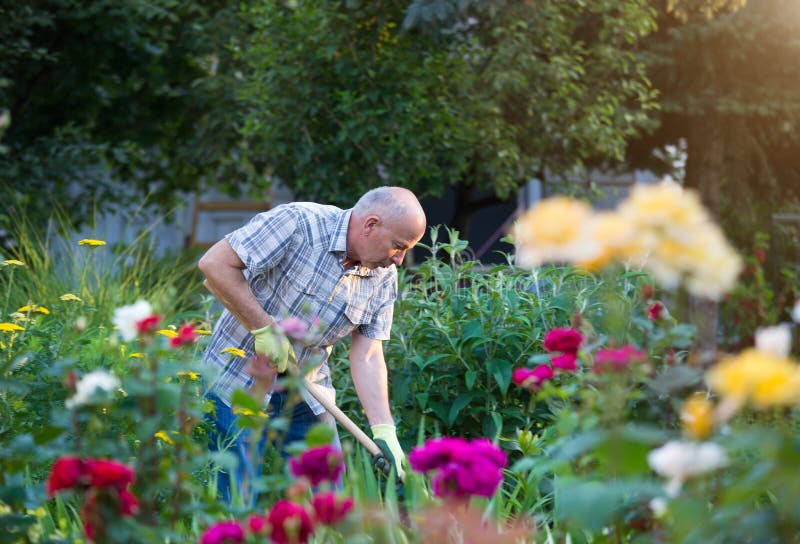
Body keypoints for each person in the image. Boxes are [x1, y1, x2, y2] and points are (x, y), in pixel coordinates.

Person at [198, 186, 426, 503]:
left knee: (328, 499)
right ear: (370, 225)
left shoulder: (382, 276)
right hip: (236, 379)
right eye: (398, 247)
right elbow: (214, 265)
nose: (400, 261)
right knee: (234, 498)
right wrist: (263, 328)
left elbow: (369, 354)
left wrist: (384, 429)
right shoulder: (298, 223)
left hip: (306, 388)